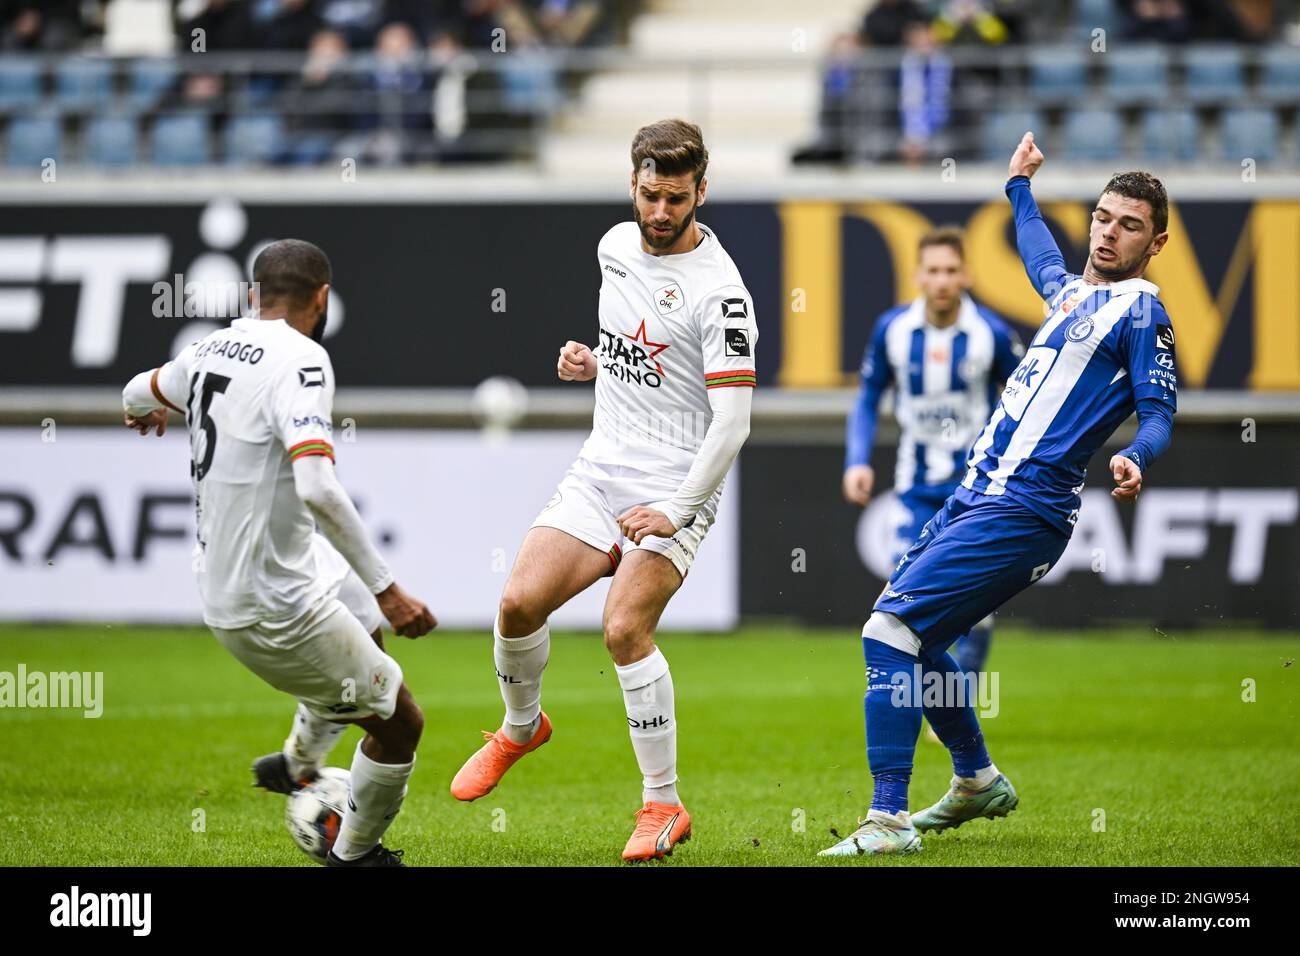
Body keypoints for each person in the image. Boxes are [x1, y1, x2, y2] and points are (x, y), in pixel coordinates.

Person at [822, 132, 1178, 855]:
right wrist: (1018, 187)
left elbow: (1160, 407)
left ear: (1157, 241)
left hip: (1024, 505)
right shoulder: (1076, 295)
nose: (1110, 232)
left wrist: (1138, 455)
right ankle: (976, 779)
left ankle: (888, 819)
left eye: (1129, 224)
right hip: (978, 492)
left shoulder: (1142, 312)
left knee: (887, 632)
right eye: (1105, 217)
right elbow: (1039, 250)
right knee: (920, 646)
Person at [448, 119, 758, 862]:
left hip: (680, 480)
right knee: (519, 603)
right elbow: (644, 352)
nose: (659, 212)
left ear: (701, 194)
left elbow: (733, 425)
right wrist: (598, 364)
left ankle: (662, 805)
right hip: (602, 466)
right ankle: (522, 727)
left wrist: (678, 510)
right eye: (649, 195)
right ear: (633, 186)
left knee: (623, 628)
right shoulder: (614, 247)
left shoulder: (723, 296)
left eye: (675, 199)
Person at [121, 239, 436, 867]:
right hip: (269, 604)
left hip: (243, 575)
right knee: (400, 721)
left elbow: (136, 391)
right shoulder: (304, 361)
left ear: (250, 297)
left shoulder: (205, 349)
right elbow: (318, 486)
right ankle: (355, 854)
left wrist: (151, 408)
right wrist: (389, 588)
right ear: (322, 299)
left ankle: (299, 763)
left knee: (363, 628)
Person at [844, 225, 1023, 682]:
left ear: (966, 275)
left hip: (976, 492)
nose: (942, 280)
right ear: (918, 276)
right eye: (933, 271)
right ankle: (928, 702)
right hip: (915, 490)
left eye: (951, 270)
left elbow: (1026, 400)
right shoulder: (893, 330)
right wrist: (857, 460)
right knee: (902, 600)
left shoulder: (992, 334)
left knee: (974, 610)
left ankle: (962, 697)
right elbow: (867, 399)